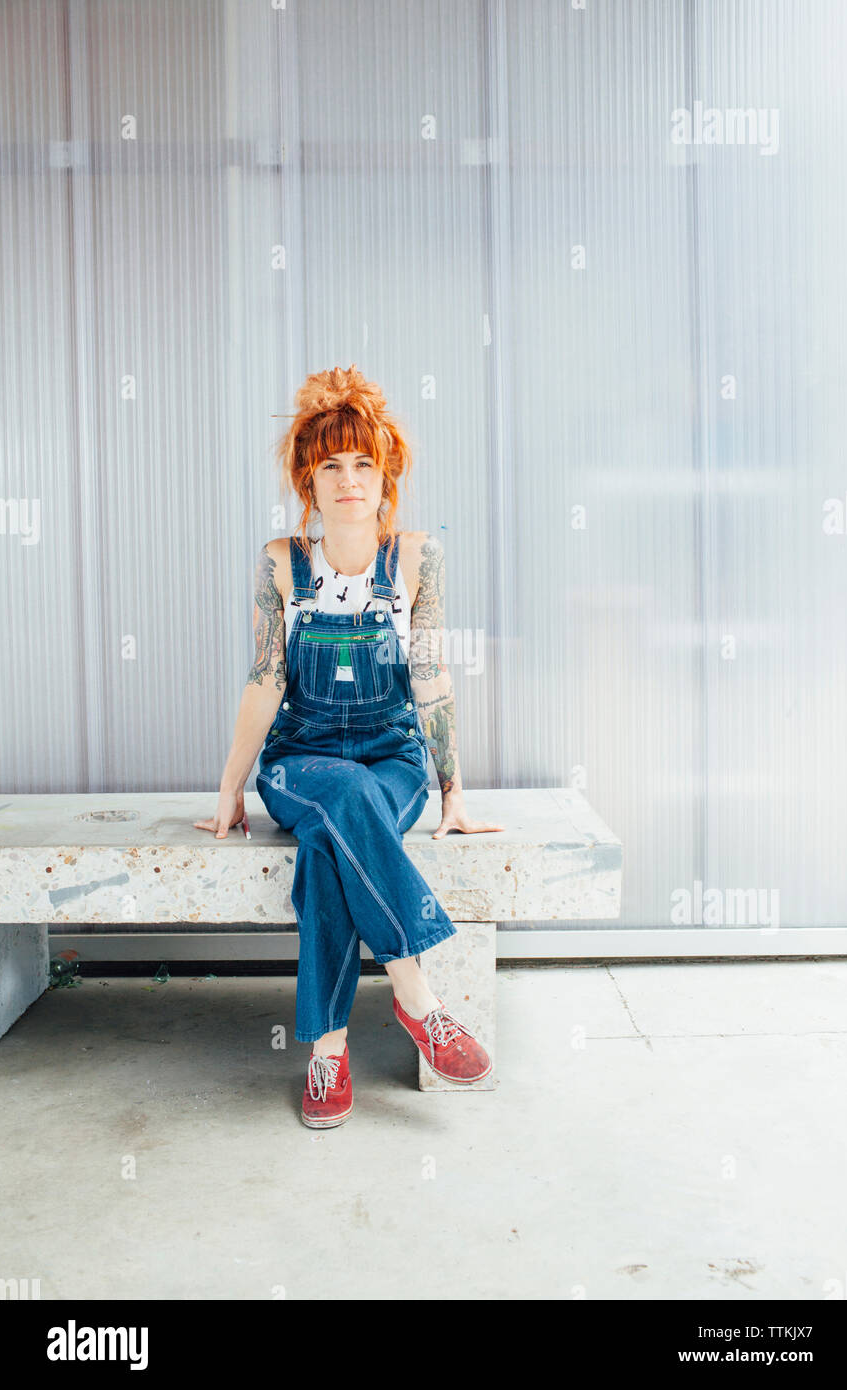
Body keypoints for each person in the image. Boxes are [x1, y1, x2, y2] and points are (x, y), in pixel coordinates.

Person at [195, 364, 504, 1127]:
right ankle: (418, 998)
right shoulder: (280, 564)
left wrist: (453, 789)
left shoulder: (416, 560)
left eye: (363, 463)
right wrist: (232, 788)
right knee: (342, 798)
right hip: (301, 759)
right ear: (308, 476)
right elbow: (266, 681)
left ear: (385, 473)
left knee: (331, 847)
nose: (348, 479)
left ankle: (327, 1054)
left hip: (392, 754)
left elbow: (429, 673)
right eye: (331, 464)